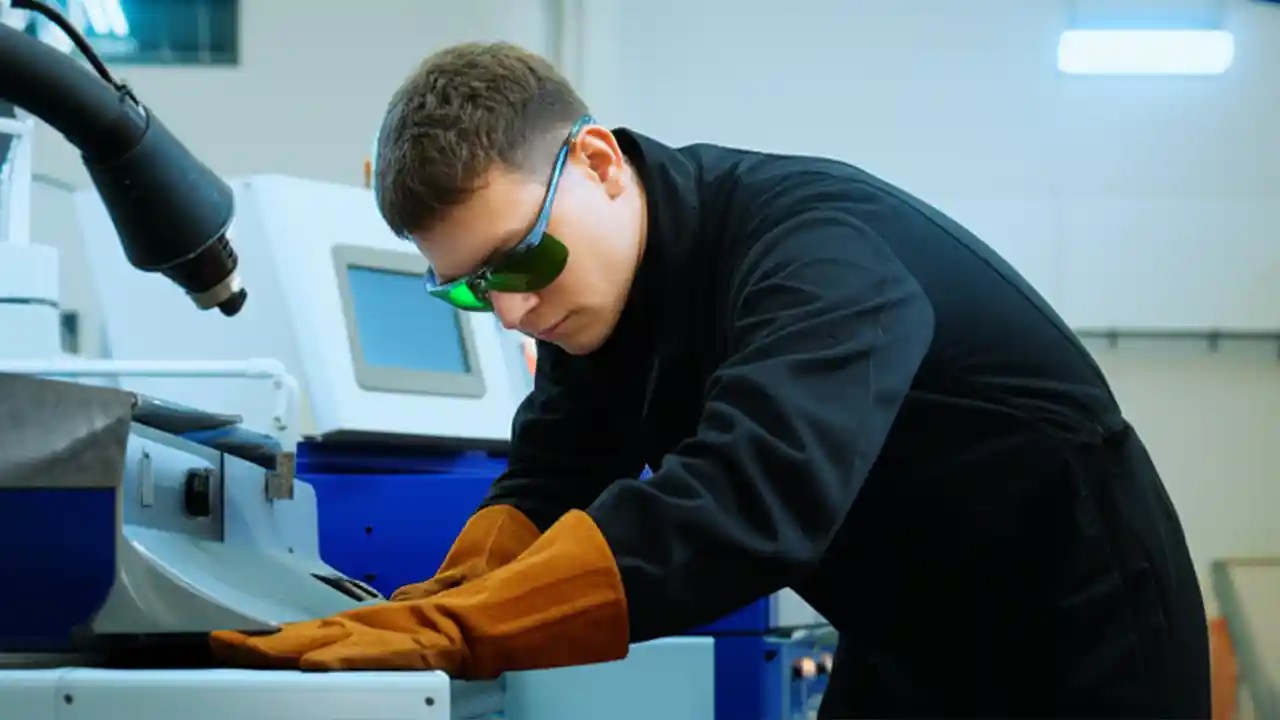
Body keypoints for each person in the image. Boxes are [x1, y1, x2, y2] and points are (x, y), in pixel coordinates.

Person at [210, 41, 1211, 718]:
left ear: (597, 162)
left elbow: (746, 502)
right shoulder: (598, 308)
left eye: (518, 260)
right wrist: (431, 599)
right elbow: (550, 473)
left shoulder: (813, 253)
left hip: (1075, 630)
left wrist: (453, 633)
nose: (511, 312)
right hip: (907, 634)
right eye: (471, 289)